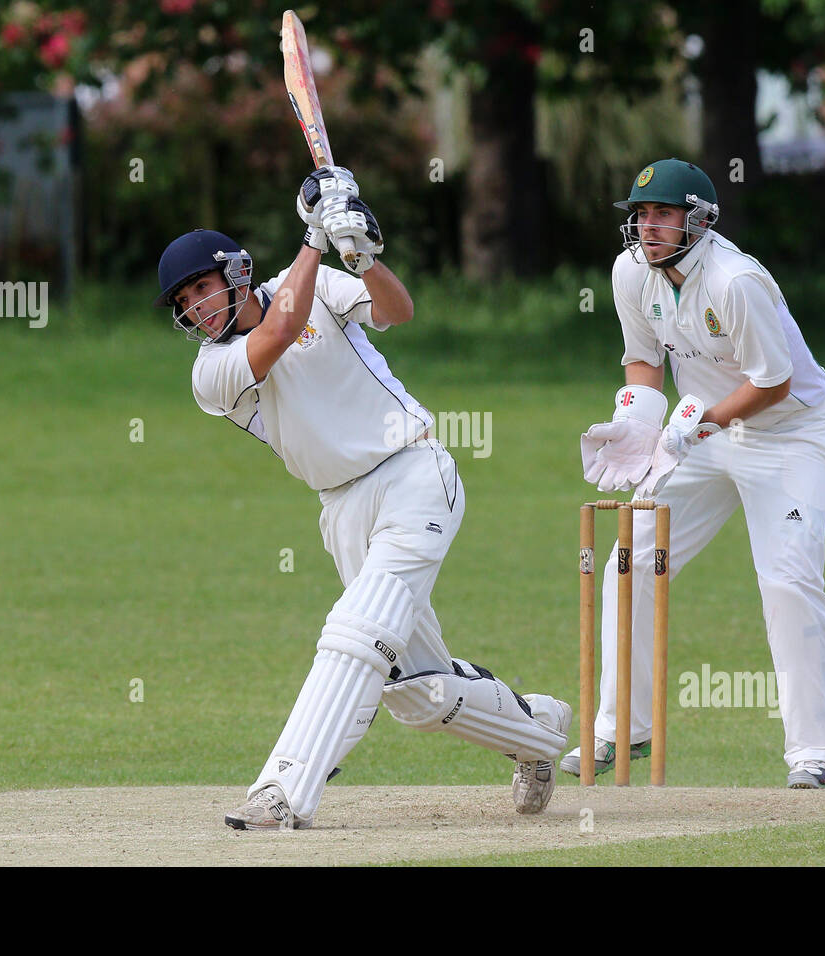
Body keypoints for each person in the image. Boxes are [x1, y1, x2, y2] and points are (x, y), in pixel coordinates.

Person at [154, 167, 572, 829]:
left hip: (412, 473)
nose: (196, 308)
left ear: (235, 273)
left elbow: (397, 311)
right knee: (418, 692)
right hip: (341, 509)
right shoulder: (212, 373)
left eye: (202, 288)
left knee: (356, 633)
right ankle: (540, 732)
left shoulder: (317, 281)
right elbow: (278, 334)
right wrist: (316, 235)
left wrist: (366, 258)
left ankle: (284, 792)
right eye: (183, 303)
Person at [565, 158, 825, 789]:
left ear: (700, 219)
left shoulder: (736, 281)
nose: (649, 227)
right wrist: (637, 422)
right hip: (702, 435)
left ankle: (810, 753)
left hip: (787, 439)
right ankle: (619, 728)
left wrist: (702, 422)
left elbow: (774, 384)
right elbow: (642, 358)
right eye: (641, 215)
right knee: (626, 561)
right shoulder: (631, 271)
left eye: (664, 214)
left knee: (787, 580)